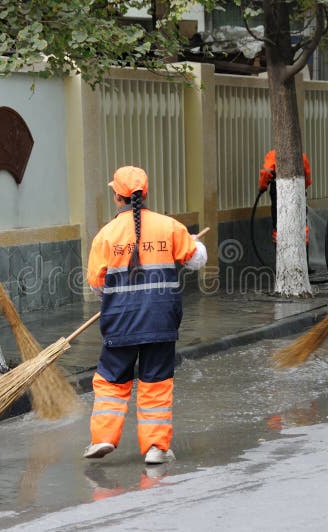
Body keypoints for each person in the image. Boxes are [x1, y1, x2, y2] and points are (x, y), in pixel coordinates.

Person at [84, 165, 207, 464]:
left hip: (120, 323)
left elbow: (96, 283)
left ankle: (102, 439)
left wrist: (114, 296)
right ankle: (155, 447)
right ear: (145, 193)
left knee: (111, 381)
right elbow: (197, 261)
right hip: (160, 321)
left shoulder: (106, 234)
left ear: (117, 197)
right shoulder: (170, 227)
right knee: (156, 383)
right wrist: (194, 242)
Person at [258, 148, 312, 245]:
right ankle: (302, 249)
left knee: (279, 222)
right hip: (298, 191)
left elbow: (266, 173)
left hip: (279, 193)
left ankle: (281, 247)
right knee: (300, 222)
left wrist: (262, 187)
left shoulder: (273, 155)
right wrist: (303, 187)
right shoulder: (301, 156)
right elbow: (307, 178)